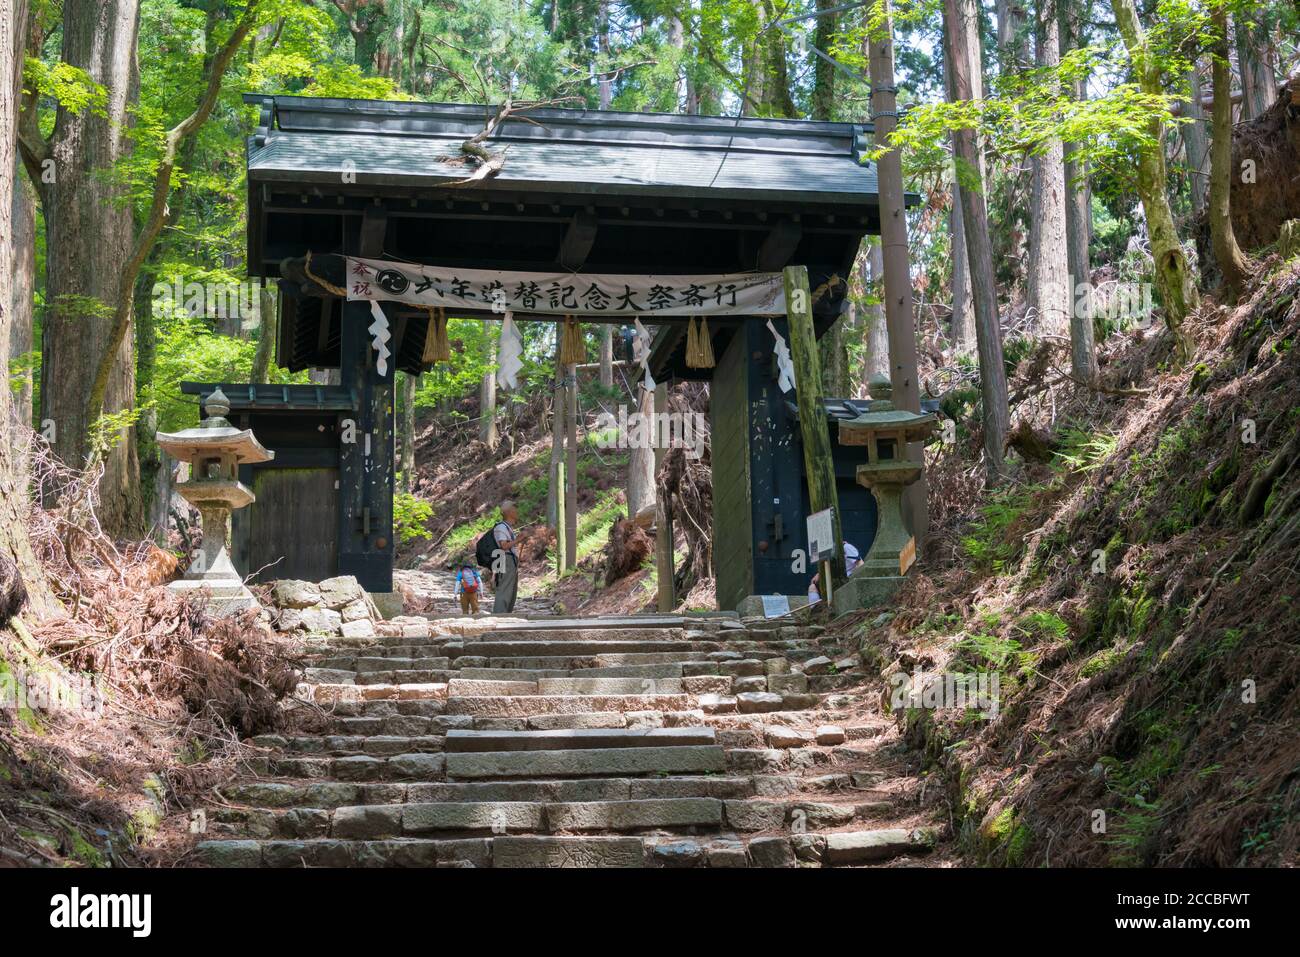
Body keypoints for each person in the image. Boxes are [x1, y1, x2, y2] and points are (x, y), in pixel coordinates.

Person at [491, 500, 520, 613]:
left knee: (511, 590)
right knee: (504, 589)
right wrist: (519, 539)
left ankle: (506, 615)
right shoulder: (502, 527)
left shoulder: (506, 527)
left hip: (508, 560)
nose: (517, 512)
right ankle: (499, 616)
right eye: (514, 509)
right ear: (509, 512)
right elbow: (503, 546)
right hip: (505, 559)